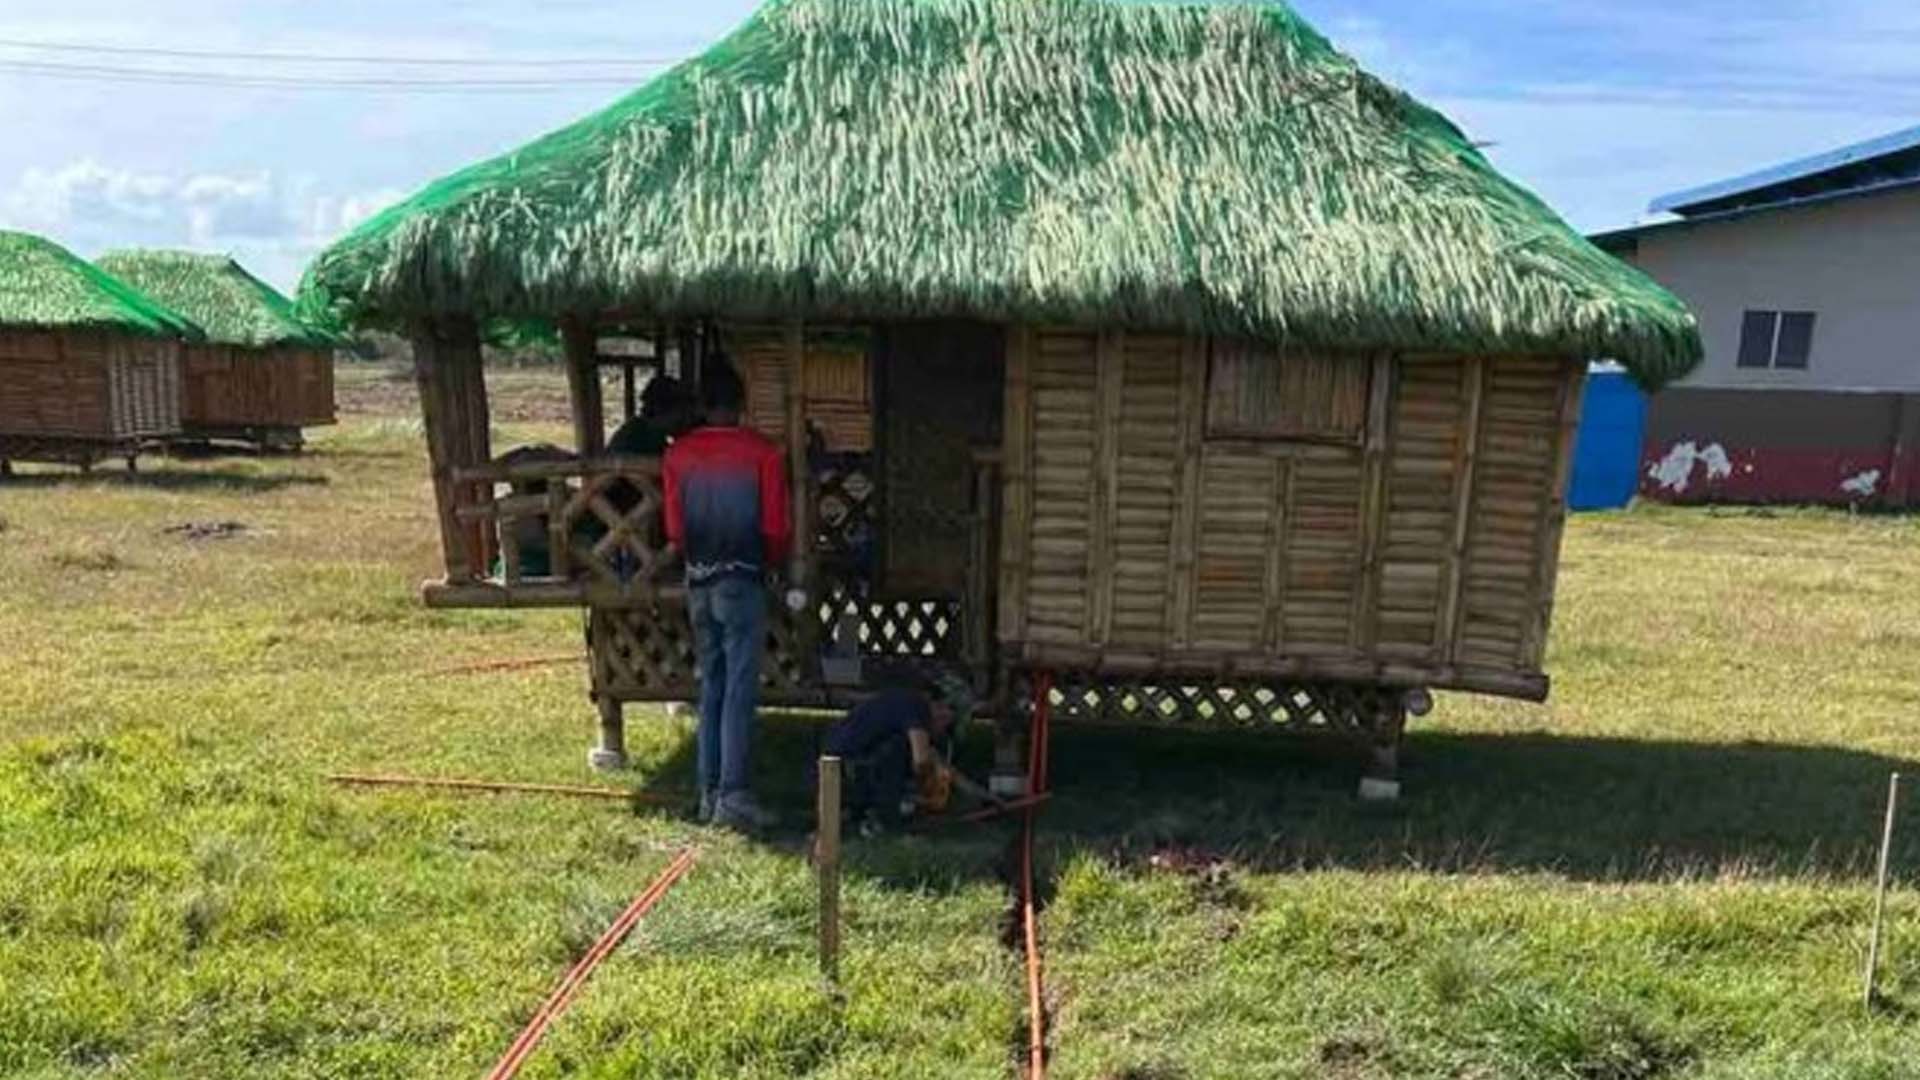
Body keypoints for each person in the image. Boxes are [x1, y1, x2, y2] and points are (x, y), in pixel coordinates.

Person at [662, 358, 791, 831]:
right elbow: (775, 528)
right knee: (739, 687)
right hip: (743, 579)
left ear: (702, 405)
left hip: (698, 581)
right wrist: (773, 565)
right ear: (742, 405)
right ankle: (734, 794)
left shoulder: (677, 455)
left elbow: (674, 530)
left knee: (711, 685)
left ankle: (708, 792)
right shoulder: (763, 454)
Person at [816, 672, 998, 835]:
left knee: (901, 751)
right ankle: (886, 821)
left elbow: (941, 764)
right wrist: (936, 797)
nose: (946, 729)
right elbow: (922, 763)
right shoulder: (916, 710)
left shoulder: (906, 706)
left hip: (844, 760)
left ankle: (864, 812)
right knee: (899, 750)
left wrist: (980, 794)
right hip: (846, 767)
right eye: (950, 721)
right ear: (942, 707)